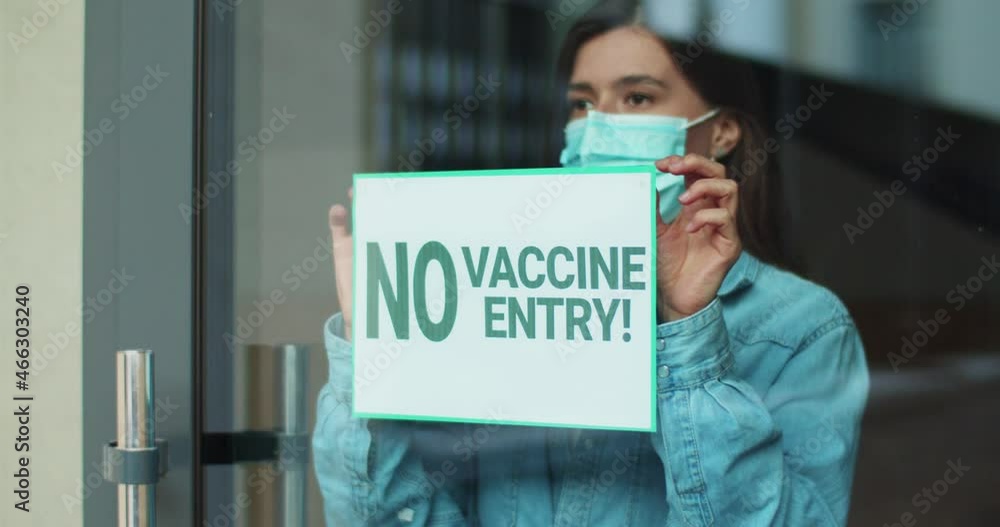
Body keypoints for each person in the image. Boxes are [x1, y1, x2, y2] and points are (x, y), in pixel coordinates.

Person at [313, 5, 869, 526]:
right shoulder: (502, 295)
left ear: (721, 131)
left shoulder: (802, 327)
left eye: (637, 99)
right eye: (582, 103)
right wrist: (375, 354)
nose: (598, 125)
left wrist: (686, 330)